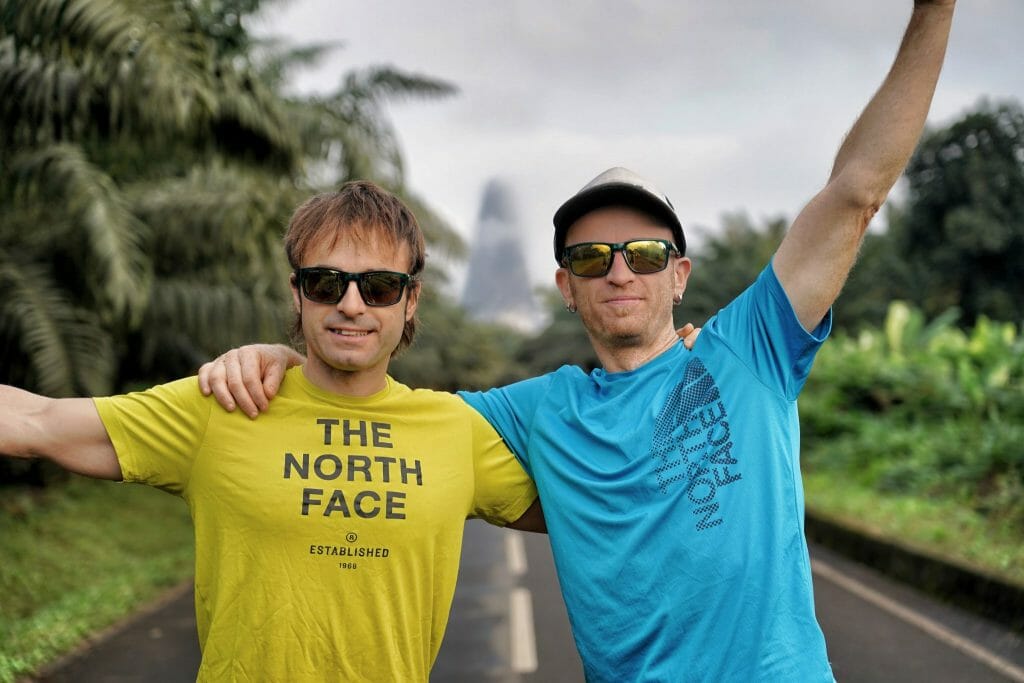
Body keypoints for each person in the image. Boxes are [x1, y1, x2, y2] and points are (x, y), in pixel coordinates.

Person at [199, 2, 957, 680]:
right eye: (592, 257)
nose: (620, 270)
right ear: (567, 286)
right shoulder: (537, 411)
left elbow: (857, 190)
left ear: (680, 274)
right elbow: (383, 411)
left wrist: (934, 9)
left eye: (647, 254)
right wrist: (292, 359)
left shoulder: (751, 352)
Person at [0, 181, 546, 682]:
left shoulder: (456, 428)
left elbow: (594, 517)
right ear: (297, 293)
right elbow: (35, 421)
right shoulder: (222, 403)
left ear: (411, 301)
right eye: (326, 283)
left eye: (379, 287)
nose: (351, 305)